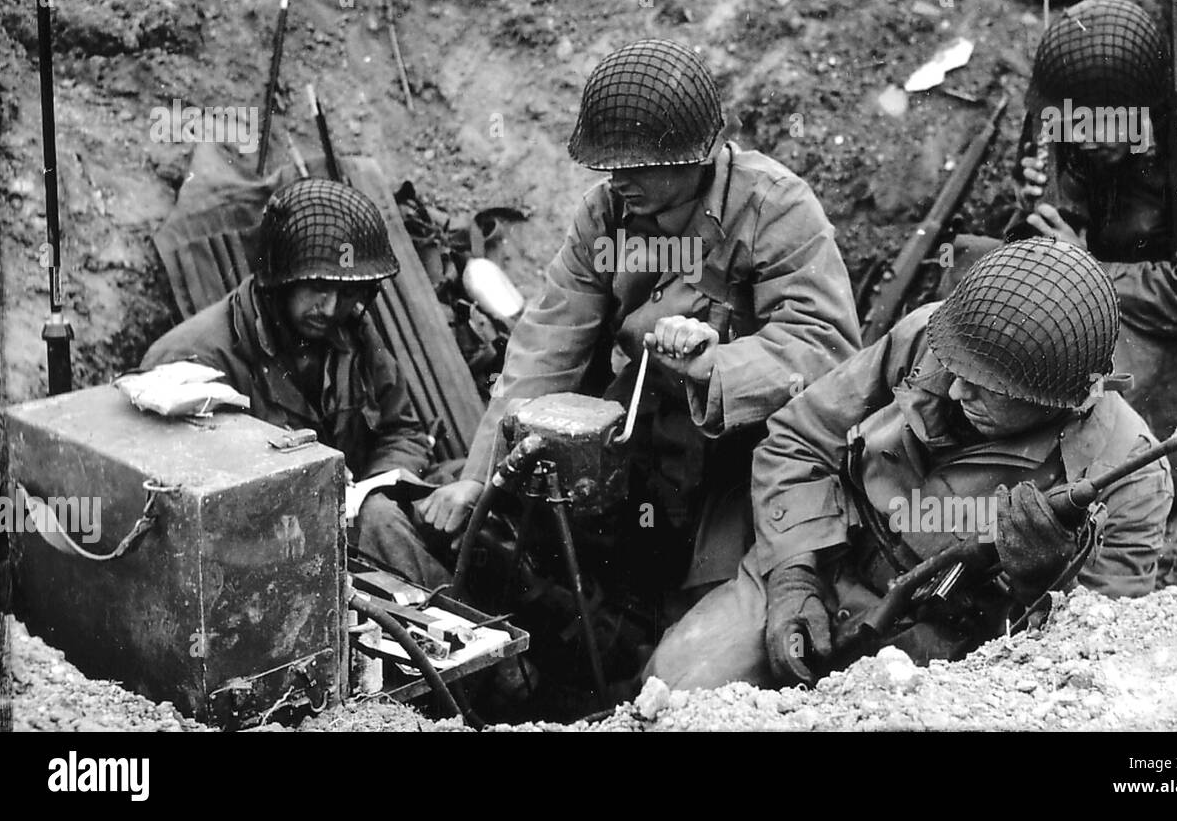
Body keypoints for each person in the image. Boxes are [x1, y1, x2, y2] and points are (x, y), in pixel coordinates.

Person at [422, 38, 862, 622]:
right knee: (550, 563)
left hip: (745, 455)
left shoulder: (775, 209)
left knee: (712, 617)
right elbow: (545, 349)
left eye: (638, 165)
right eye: (611, 163)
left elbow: (825, 347)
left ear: (695, 156)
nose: (618, 178)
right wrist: (481, 478)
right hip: (636, 436)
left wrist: (716, 364)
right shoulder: (604, 215)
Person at [646, 238, 1174, 690]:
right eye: (958, 367)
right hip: (828, 557)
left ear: (1058, 398)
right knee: (674, 686)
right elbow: (799, 438)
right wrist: (793, 579)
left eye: (989, 387)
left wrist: (1043, 585)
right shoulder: (936, 338)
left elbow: (1093, 664)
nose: (959, 385)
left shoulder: (1129, 473)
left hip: (949, 652)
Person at [964, 0, 1177, 498]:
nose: (1078, 138)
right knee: (971, 265)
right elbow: (1060, 220)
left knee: (1087, 379)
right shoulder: (1091, 132)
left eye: (1095, 125)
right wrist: (1035, 201)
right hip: (1127, 301)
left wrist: (1083, 270)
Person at [143, 178, 452, 588]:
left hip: (353, 522)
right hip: (261, 552)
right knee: (380, 526)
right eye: (317, 289)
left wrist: (373, 491)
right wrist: (309, 488)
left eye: (345, 293)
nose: (329, 308)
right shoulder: (194, 359)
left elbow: (402, 430)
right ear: (281, 281)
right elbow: (186, 502)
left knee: (466, 494)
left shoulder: (350, 331)